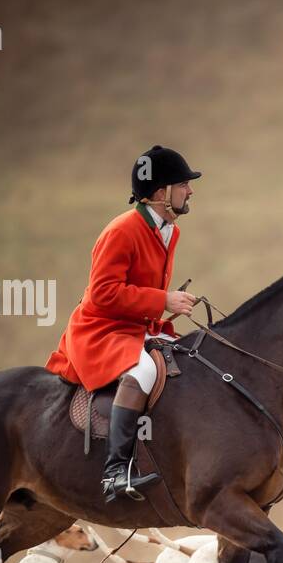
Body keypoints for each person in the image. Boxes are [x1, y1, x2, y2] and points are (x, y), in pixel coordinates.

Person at [46, 145, 200, 501]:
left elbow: (137, 287)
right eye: (183, 184)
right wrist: (162, 300)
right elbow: (103, 294)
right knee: (143, 372)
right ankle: (115, 472)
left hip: (135, 326)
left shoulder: (169, 231)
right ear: (161, 194)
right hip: (101, 330)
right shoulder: (122, 230)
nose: (190, 191)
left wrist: (165, 304)